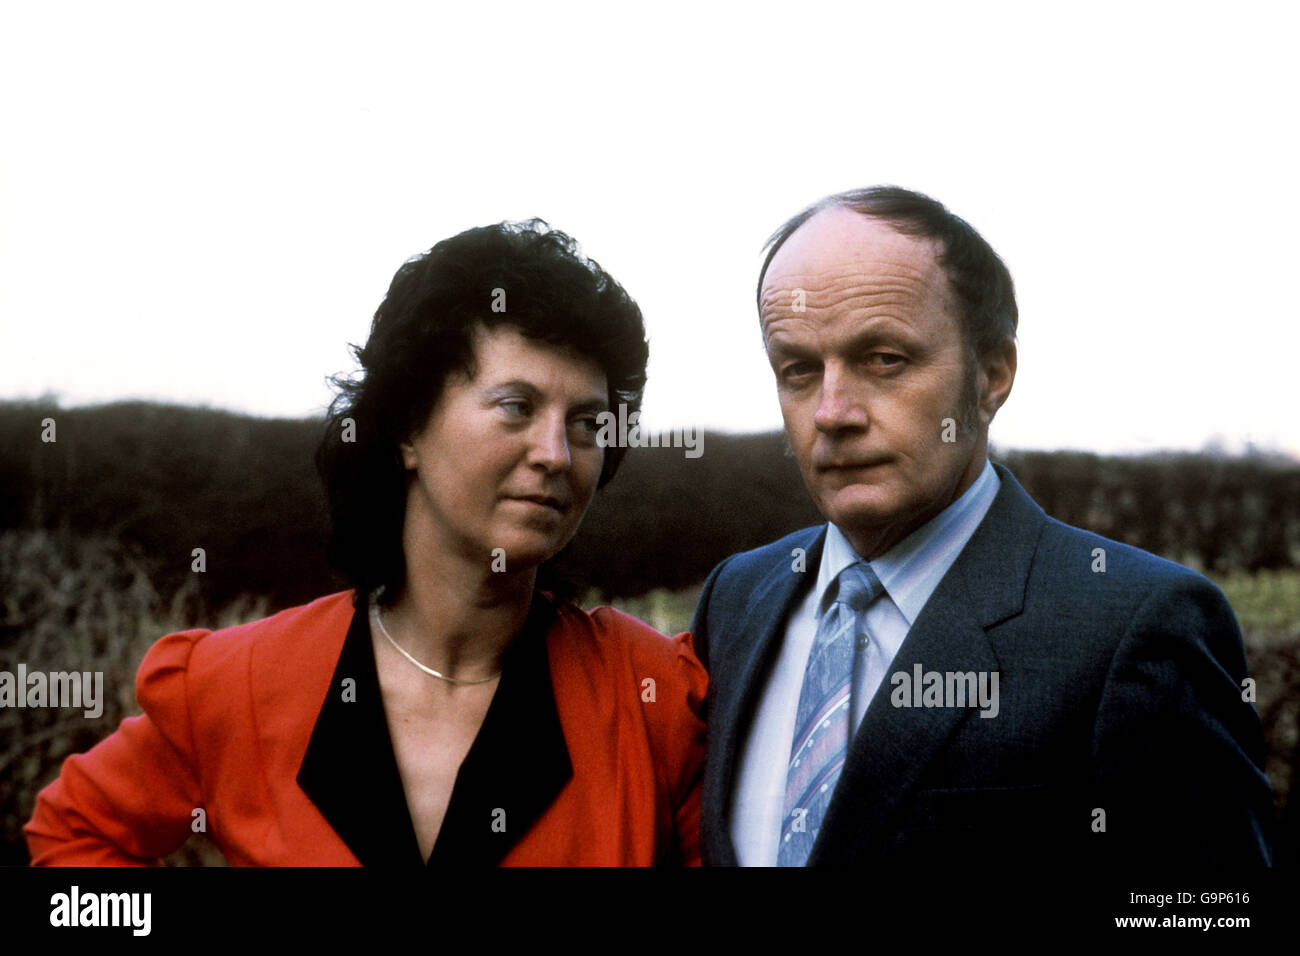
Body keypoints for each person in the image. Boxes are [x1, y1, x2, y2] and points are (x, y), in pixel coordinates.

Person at [25, 219, 706, 866]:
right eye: (517, 407)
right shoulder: (240, 686)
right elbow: (73, 831)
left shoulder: (651, 699)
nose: (557, 453)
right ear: (409, 427)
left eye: (586, 422)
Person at [690, 186, 1273, 868]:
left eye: (885, 359)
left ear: (992, 374)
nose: (832, 411)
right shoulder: (738, 597)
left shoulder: (1138, 627)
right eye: (798, 369)